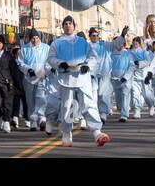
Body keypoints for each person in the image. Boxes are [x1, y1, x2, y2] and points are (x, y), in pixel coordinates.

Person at [46, 17, 109, 147]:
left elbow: (93, 57)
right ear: (63, 26)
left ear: (74, 26)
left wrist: (88, 65)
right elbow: (51, 58)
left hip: (82, 77)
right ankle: (66, 133)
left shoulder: (82, 42)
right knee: (67, 106)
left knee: (88, 103)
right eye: (66, 24)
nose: (68, 26)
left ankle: (97, 132)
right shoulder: (57, 43)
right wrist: (60, 64)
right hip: (66, 78)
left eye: (70, 23)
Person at [17, 29, 50, 131]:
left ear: (39, 38)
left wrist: (45, 71)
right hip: (29, 78)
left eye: (36, 38)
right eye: (33, 38)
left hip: (41, 77)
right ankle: (33, 121)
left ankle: (42, 118)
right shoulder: (25, 49)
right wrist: (28, 70)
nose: (35, 40)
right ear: (30, 38)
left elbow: (49, 61)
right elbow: (20, 63)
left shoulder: (46, 48)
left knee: (42, 98)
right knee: (30, 100)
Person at [87, 28, 112, 120]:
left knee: (103, 93)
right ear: (89, 37)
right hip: (91, 74)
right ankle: (94, 112)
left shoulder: (104, 45)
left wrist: (121, 37)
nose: (96, 37)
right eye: (93, 35)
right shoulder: (87, 46)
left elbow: (115, 45)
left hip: (104, 72)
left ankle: (103, 113)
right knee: (92, 94)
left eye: (97, 35)